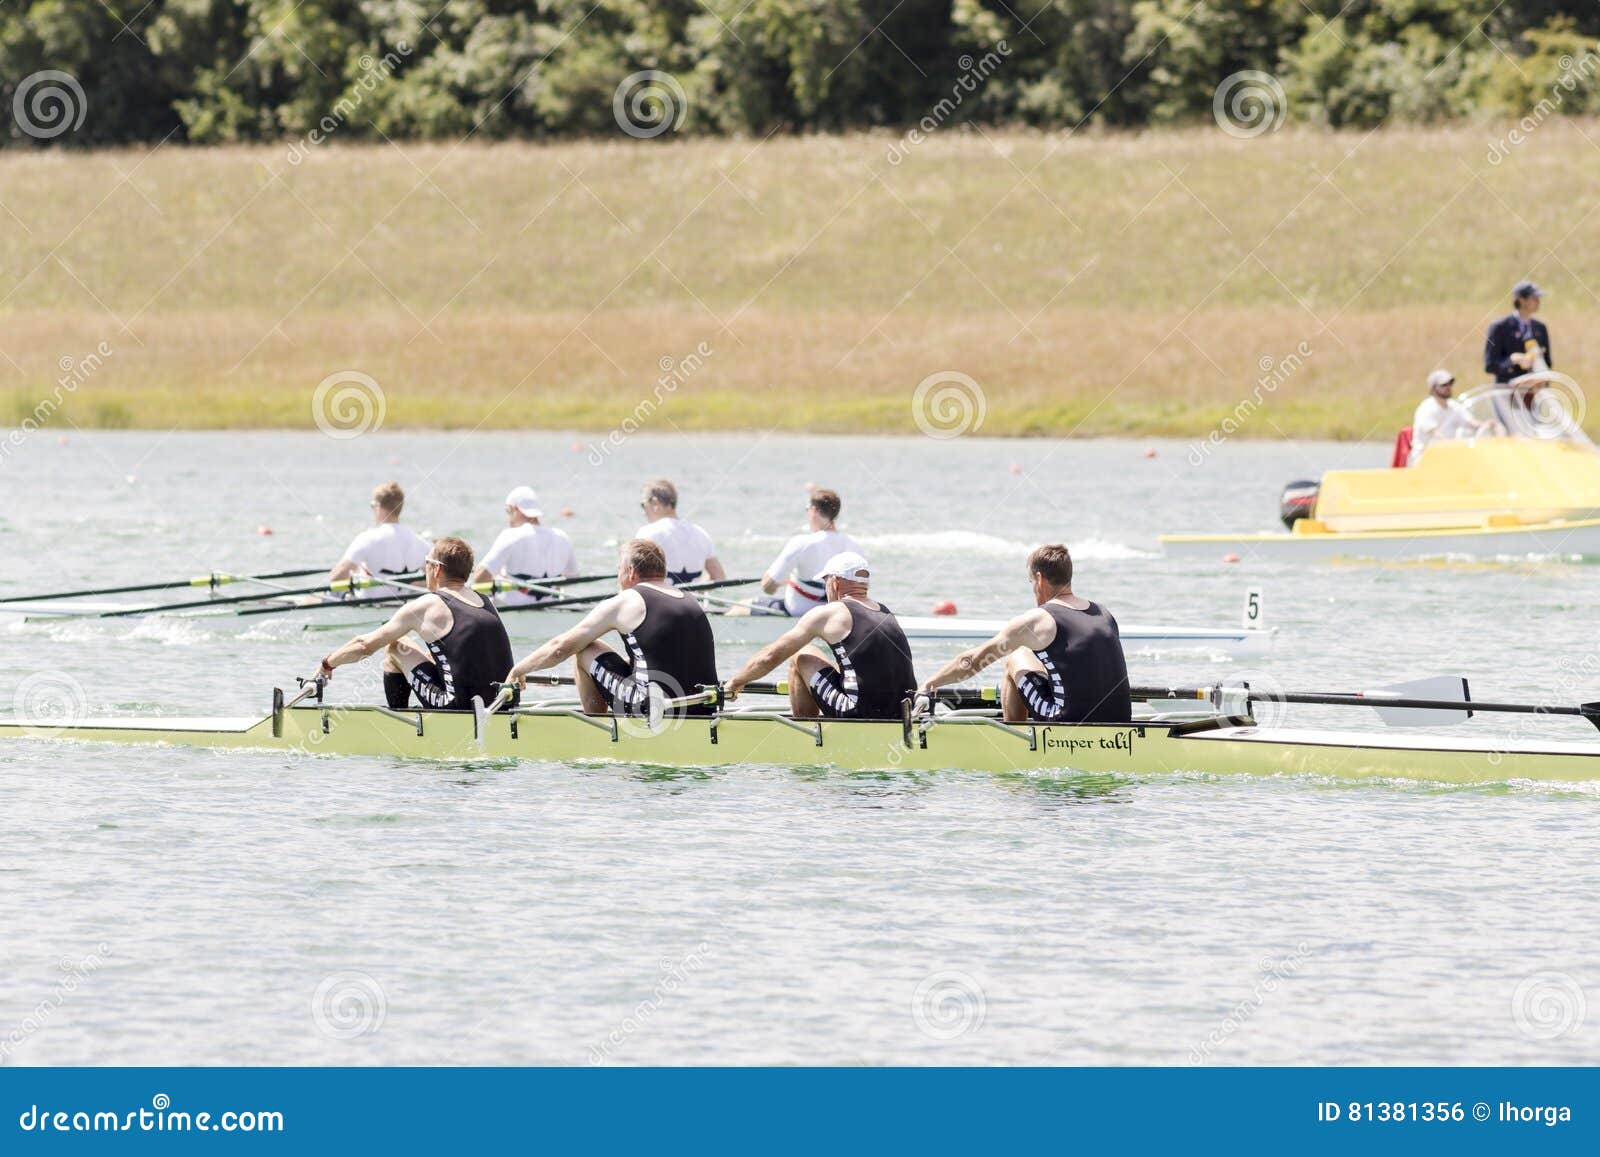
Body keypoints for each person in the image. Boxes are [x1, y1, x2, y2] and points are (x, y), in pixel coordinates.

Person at [916, 544, 1131, 725]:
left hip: (1066, 721)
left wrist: (928, 685)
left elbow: (973, 661)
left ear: (1039, 579)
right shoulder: (1103, 613)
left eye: (1030, 582)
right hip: (1121, 720)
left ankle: (1016, 739)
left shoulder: (1038, 619)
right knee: (1033, 657)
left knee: (1015, 657)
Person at [508, 539, 719, 718]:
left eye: (619, 568)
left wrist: (519, 670)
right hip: (706, 706)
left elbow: (561, 648)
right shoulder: (688, 599)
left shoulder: (627, 600)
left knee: (585, 650)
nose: (618, 574)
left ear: (631, 572)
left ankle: (597, 727)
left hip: (654, 710)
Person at [313, 536, 513, 711]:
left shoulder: (428, 604)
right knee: (413, 647)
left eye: (426, 563)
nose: (423, 568)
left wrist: (327, 664)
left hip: (458, 706)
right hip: (502, 704)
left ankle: (401, 722)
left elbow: (364, 646)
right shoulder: (486, 601)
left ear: (436, 569)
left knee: (396, 648)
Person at [725, 551, 915, 720]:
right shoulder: (884, 611)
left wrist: (735, 682)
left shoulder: (829, 613)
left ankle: (806, 736)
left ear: (835, 582)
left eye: (825, 581)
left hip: (859, 712)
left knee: (802, 656)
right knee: (842, 667)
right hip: (906, 710)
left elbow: (770, 657)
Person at [751, 488, 861, 617]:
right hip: (839, 616)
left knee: (741, 606)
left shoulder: (802, 542)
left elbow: (767, 587)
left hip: (800, 615)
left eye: (807, 509)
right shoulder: (854, 545)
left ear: (813, 511)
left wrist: (775, 581)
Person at [472, 485, 579, 604]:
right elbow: (572, 578)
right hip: (552, 606)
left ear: (516, 509)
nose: (509, 519)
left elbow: (479, 578)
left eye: (508, 511)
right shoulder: (562, 536)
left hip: (513, 607)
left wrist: (501, 579)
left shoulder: (511, 535)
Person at [328, 482, 431, 588]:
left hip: (367, 602)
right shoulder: (420, 542)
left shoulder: (366, 538)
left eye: (372, 506)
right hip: (405, 602)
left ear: (377, 507)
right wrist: (413, 583)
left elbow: (336, 577)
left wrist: (357, 574)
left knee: (313, 599)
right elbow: (436, 580)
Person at [635, 479, 725, 585]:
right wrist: (692, 590)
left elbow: (632, 578)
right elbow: (719, 577)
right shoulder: (701, 533)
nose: (643, 513)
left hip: (659, 601)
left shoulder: (647, 533)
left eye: (643, 505)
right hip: (692, 601)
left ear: (655, 503)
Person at [1407, 369, 1489, 465]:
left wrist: (1486, 425)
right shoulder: (1426, 409)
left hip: (1448, 455)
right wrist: (1457, 446)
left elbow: (1471, 422)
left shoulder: (1454, 406)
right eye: (1444, 385)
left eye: (1450, 384)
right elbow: (1437, 435)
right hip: (1426, 458)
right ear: (1433, 389)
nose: (1448, 387)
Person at [1485, 280, 1551, 384]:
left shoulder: (1540, 328)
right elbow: (1490, 365)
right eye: (1534, 298)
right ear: (1521, 300)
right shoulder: (1499, 327)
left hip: (1535, 393)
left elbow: (1548, 363)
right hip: (1506, 393)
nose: (1538, 302)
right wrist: (1512, 360)